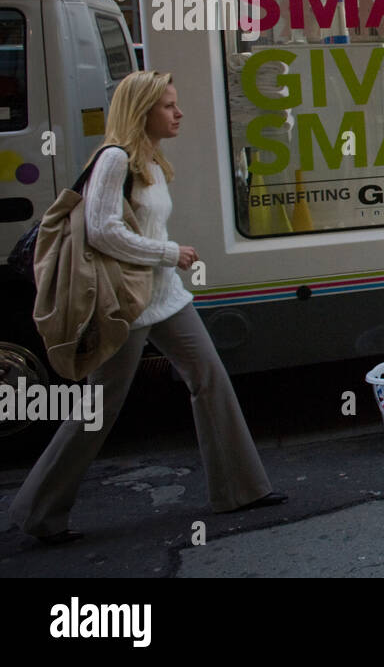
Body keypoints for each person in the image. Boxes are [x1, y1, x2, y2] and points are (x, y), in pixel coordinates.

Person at [9, 71, 285, 546]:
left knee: (209, 377)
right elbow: (101, 231)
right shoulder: (115, 159)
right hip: (129, 303)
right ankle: (39, 511)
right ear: (141, 111)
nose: (178, 114)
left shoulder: (150, 160)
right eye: (168, 106)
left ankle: (240, 490)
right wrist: (169, 253)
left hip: (166, 297)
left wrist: (167, 260)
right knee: (100, 406)